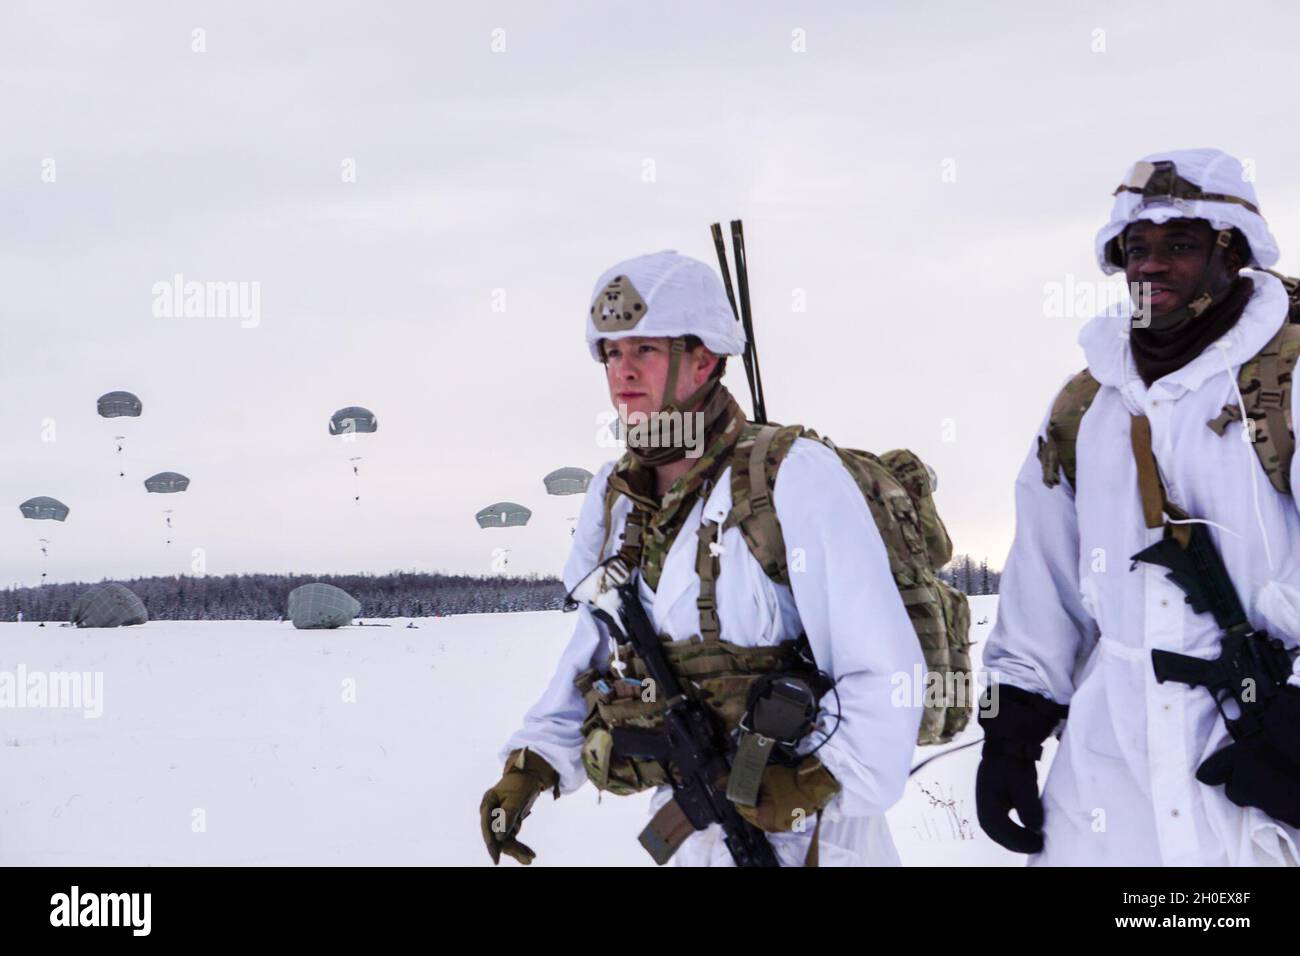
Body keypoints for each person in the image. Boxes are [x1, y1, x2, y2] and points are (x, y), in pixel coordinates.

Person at [479, 250, 924, 866]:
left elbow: (886, 671)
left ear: (704, 359)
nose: (622, 372)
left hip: (819, 843)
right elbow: (595, 649)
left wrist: (813, 783)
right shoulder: (616, 500)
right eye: (611, 352)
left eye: (645, 351)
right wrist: (533, 762)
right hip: (695, 839)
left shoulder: (793, 478)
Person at [979, 148, 1300, 865]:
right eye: (1137, 249)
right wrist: (1011, 730)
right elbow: (1043, 583)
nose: (1150, 267)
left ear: (1233, 253)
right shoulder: (1087, 404)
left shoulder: (1288, 380)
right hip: (1110, 762)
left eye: (1179, 246)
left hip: (1262, 751)